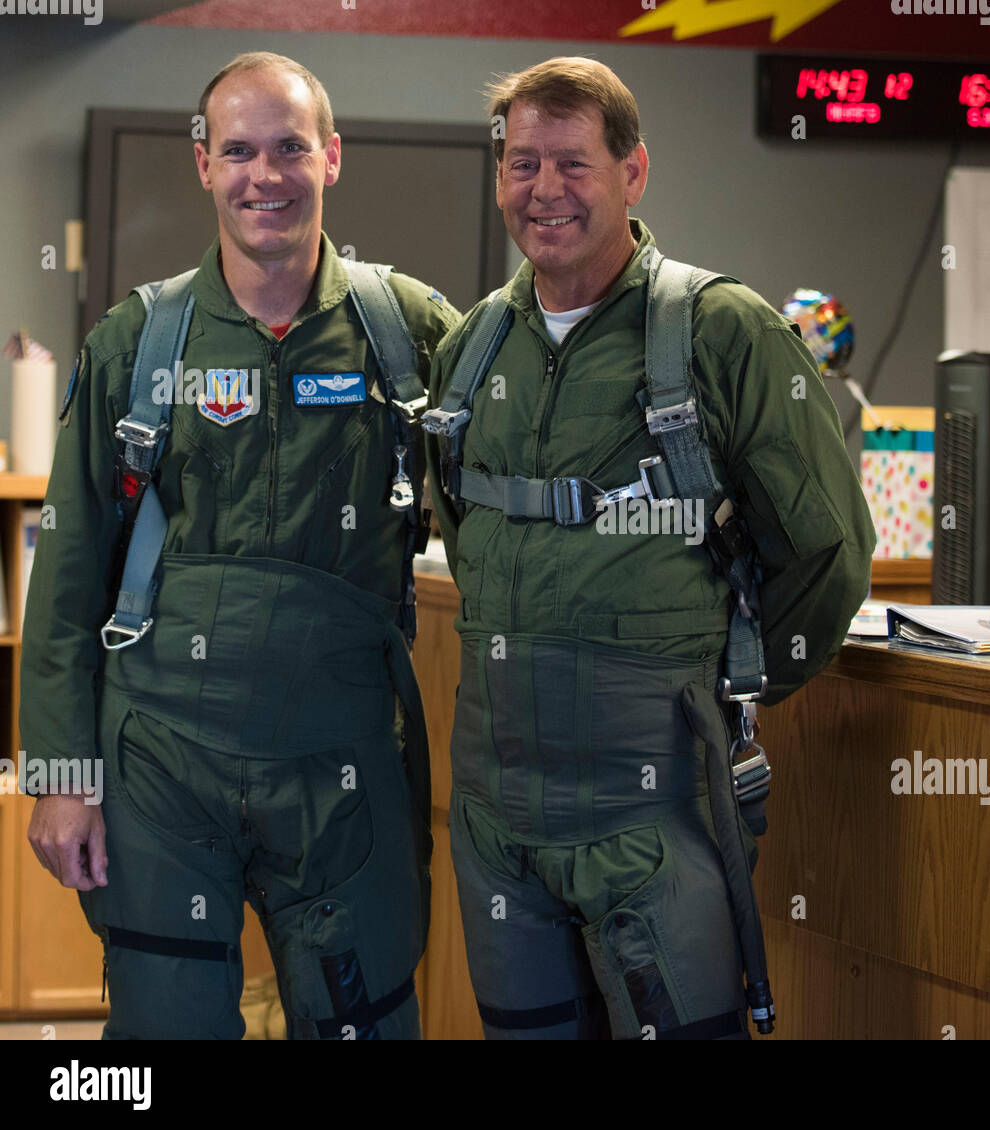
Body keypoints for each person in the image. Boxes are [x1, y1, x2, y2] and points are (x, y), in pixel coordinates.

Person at [424, 56, 875, 1040]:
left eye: (572, 163)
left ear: (633, 172)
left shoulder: (721, 332)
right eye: (521, 163)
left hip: (653, 805)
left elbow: (827, 552)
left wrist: (729, 694)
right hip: (497, 818)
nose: (542, 189)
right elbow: (468, 535)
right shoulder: (471, 350)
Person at [20, 51, 459, 1039]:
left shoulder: (409, 332)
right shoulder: (137, 343)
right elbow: (72, 564)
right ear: (203, 165)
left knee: (367, 1018)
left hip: (346, 763)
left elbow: (502, 505)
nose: (266, 174)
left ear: (332, 157)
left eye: (290, 147)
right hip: (163, 762)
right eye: (240, 151)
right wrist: (59, 772)